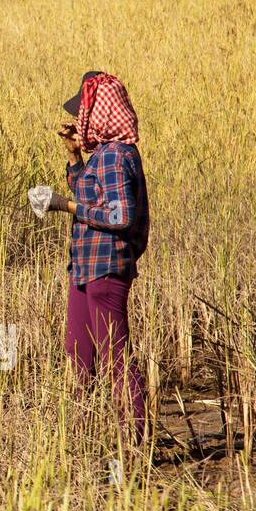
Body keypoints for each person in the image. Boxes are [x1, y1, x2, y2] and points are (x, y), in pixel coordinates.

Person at [42, 71, 150, 443]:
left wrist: (65, 205)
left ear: (100, 112)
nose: (80, 119)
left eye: (85, 111)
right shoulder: (105, 154)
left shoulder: (115, 155)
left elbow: (121, 216)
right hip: (85, 268)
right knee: (78, 355)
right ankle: (79, 439)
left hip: (106, 267)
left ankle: (134, 443)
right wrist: (74, 158)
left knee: (115, 356)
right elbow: (94, 197)